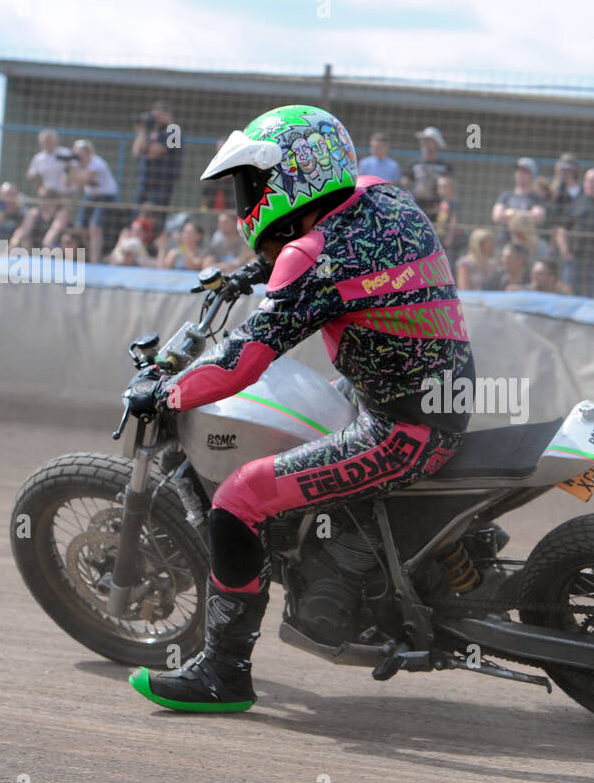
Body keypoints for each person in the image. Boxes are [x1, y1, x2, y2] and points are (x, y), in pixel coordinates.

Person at [128, 104, 474, 713]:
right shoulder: (382, 198)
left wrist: (166, 391)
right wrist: (255, 273)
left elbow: (238, 366)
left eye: (252, 184)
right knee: (307, 419)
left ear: (292, 177)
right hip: (433, 389)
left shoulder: (308, 258)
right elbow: (343, 260)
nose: (245, 199)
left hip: (402, 426)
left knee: (239, 498)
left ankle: (223, 675)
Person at [554, 167, 594, 295]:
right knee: (570, 295)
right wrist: (564, 251)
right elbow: (561, 228)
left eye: (592, 181)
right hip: (574, 260)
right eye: (587, 180)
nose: (588, 183)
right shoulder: (576, 203)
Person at [71, 139, 119, 262]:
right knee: (80, 227)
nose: (77, 156)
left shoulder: (96, 163)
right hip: (91, 196)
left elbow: (82, 181)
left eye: (80, 153)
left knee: (94, 226)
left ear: (88, 152)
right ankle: (91, 253)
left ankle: (95, 260)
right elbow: (69, 182)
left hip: (106, 196)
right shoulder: (76, 164)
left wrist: (72, 171)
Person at [132, 100, 181, 208]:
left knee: (157, 214)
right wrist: (142, 129)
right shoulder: (152, 132)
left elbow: (154, 152)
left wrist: (145, 149)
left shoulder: (174, 130)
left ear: (167, 114)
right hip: (145, 179)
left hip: (162, 181)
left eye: (158, 115)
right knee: (137, 211)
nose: (155, 119)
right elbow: (136, 151)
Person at [491, 157, 546, 244]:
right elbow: (497, 217)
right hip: (505, 242)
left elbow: (537, 218)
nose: (520, 173)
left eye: (524, 171)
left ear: (532, 174)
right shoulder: (506, 196)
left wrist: (510, 213)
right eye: (518, 170)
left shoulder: (537, 198)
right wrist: (526, 216)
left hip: (526, 244)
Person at [403, 126, 452, 218]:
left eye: (428, 140)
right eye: (423, 140)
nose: (424, 143)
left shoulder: (445, 167)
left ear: (437, 143)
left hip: (438, 209)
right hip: (416, 207)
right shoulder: (413, 164)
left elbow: (451, 191)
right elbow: (405, 184)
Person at [27, 129, 76, 197]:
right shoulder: (38, 158)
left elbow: (74, 169)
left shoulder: (65, 153)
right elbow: (31, 174)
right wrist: (40, 188)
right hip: (49, 196)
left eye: (49, 140)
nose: (47, 143)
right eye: (45, 141)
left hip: (67, 193)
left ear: (55, 141)